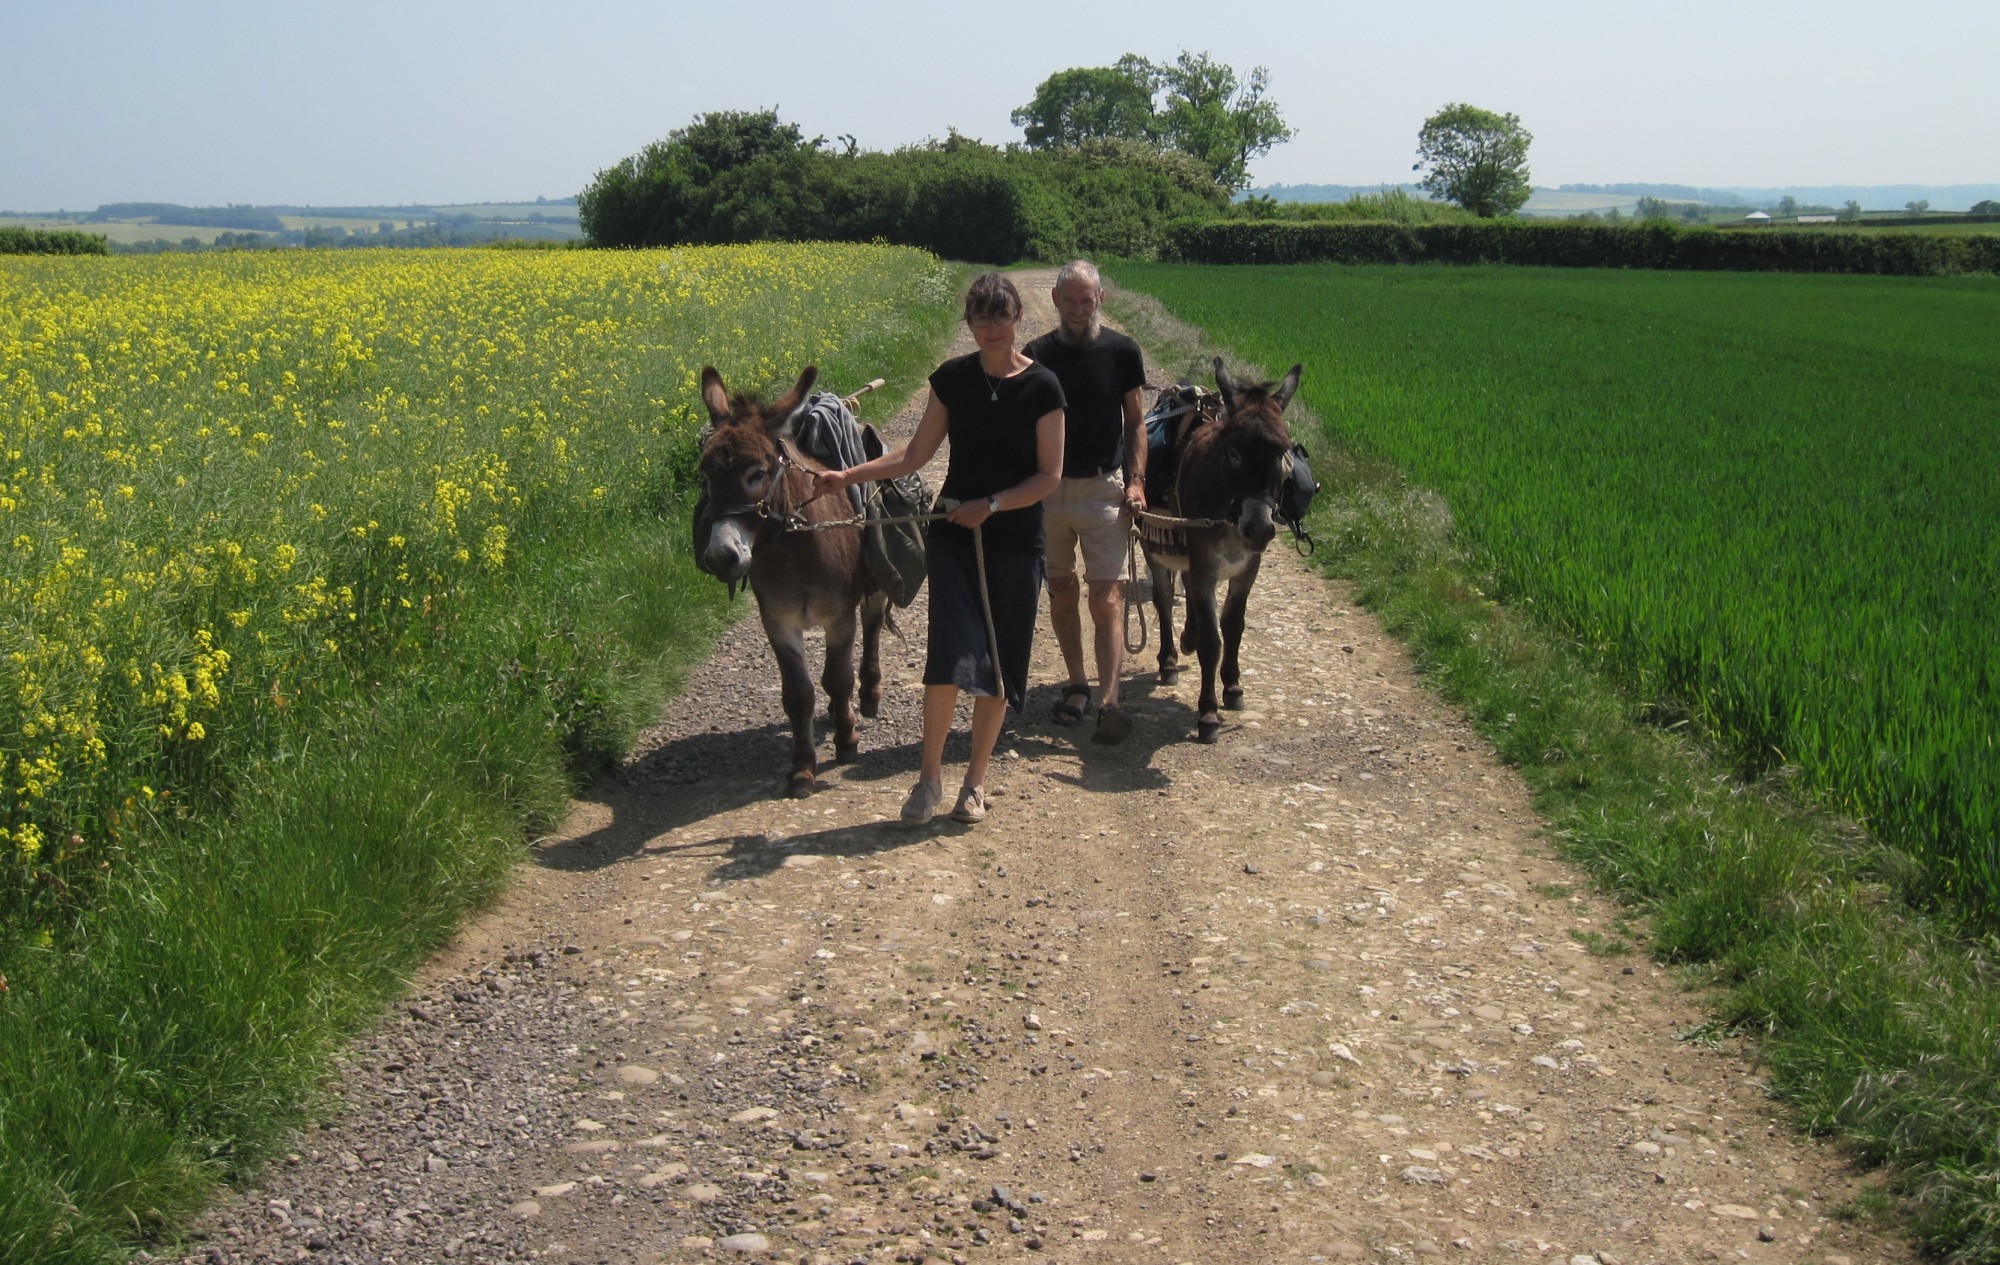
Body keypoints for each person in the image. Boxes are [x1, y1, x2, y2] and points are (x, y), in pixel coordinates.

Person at [813, 273, 1064, 826]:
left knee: (1001, 664)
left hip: (1016, 541)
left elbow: (1049, 476)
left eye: (1001, 317)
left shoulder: (1044, 387)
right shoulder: (953, 379)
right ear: (969, 324)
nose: (992, 328)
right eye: (981, 318)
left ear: (1019, 318)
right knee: (948, 657)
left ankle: (974, 785)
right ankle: (928, 781)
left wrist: (993, 504)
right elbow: (913, 455)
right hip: (954, 534)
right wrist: (845, 475)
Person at [1022, 259, 1148, 745]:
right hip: (1048, 493)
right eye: (1069, 300)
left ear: (1100, 300)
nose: (1078, 308)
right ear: (1055, 301)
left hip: (1103, 491)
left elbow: (1136, 422)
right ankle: (1077, 684)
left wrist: (1136, 481)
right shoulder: (1036, 355)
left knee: (1106, 598)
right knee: (1060, 591)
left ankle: (1111, 699)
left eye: (1086, 299)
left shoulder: (1123, 352)